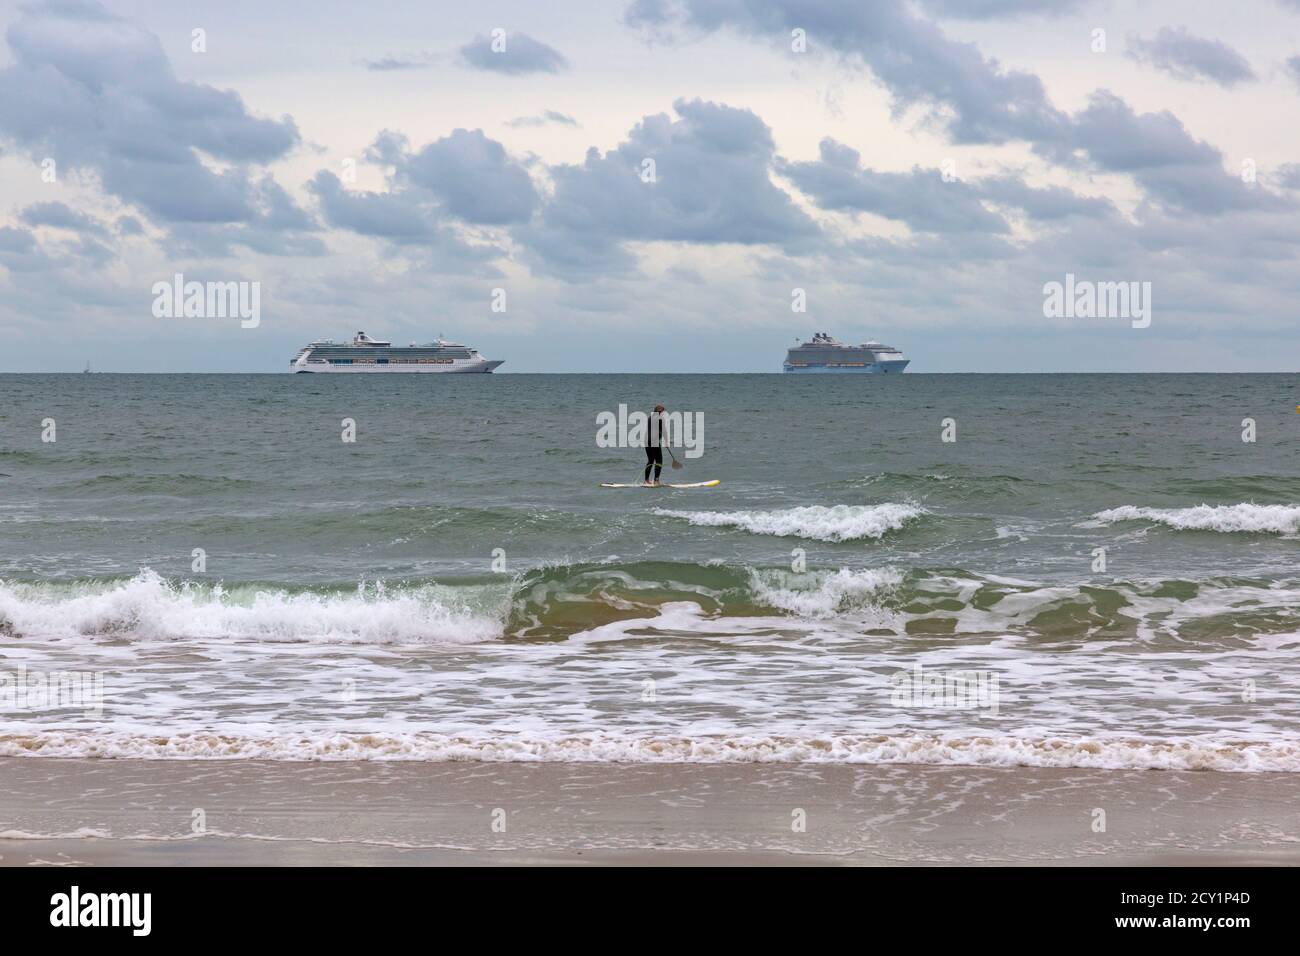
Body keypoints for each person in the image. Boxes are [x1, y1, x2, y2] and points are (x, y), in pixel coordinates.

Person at [644, 403, 667, 486]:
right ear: (660, 412)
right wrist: (667, 442)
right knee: (659, 460)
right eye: (663, 412)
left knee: (650, 460)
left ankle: (646, 480)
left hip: (646, 441)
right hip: (654, 441)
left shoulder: (649, 418)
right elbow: (663, 431)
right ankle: (656, 480)